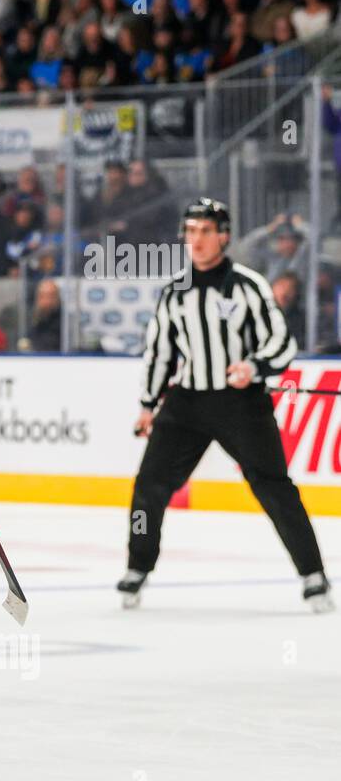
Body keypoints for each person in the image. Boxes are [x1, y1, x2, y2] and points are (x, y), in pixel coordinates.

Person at [119, 198, 331, 612]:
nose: (195, 240)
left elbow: (281, 342)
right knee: (150, 485)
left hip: (240, 403)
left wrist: (253, 367)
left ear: (224, 236)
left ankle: (313, 574)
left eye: (204, 231)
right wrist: (148, 404)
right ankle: (137, 567)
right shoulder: (174, 292)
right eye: (190, 231)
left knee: (273, 487)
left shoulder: (248, 285)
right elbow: (161, 353)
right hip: (187, 402)